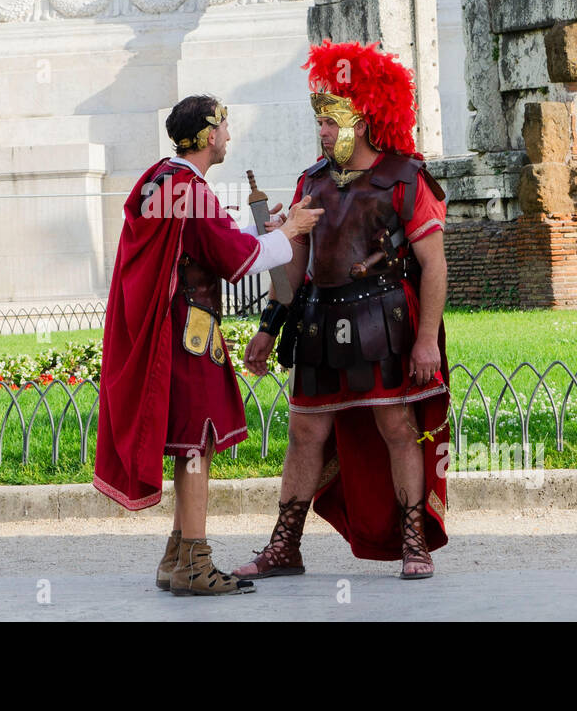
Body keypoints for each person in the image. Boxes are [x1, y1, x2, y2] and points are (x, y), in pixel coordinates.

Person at [237, 40, 452, 581]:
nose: (324, 132)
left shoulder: (405, 178)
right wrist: (268, 324)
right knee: (305, 432)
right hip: (316, 322)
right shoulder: (311, 183)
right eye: (322, 123)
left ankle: (413, 541)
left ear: (361, 119)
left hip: (385, 321)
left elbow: (435, 267)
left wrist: (426, 340)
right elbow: (294, 272)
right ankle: (284, 545)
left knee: (396, 425)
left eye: (331, 122)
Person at [93, 94, 324, 596]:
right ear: (206, 135)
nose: (228, 136)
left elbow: (204, 242)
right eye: (223, 127)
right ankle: (196, 564)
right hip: (186, 333)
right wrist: (291, 231)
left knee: (189, 443)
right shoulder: (188, 189)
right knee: (198, 440)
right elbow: (232, 260)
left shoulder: (163, 177)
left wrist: (259, 230)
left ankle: (177, 558)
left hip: (171, 329)